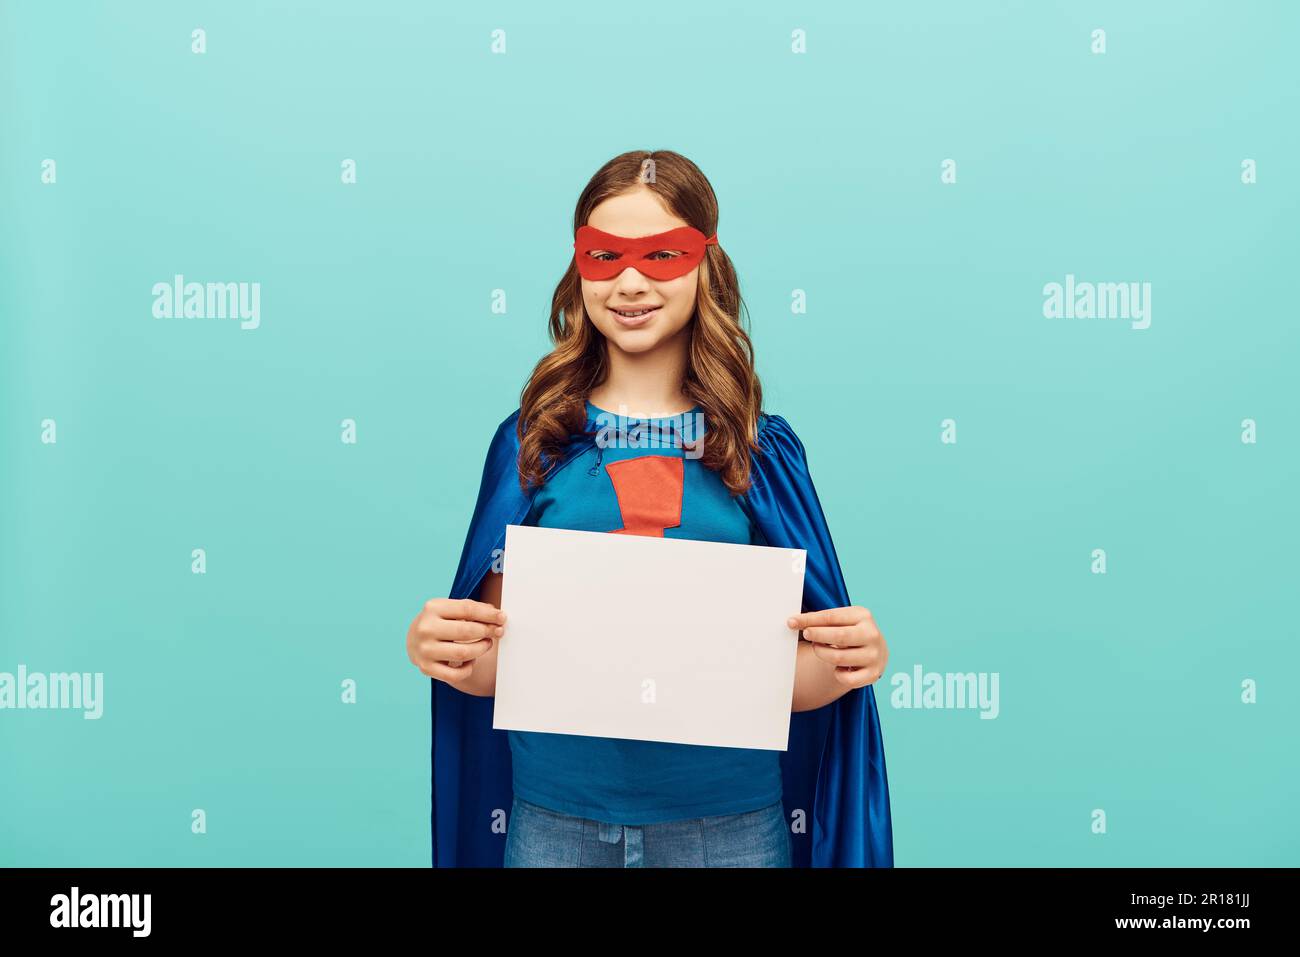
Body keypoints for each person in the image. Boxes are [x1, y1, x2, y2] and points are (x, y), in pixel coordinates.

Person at [406, 150, 893, 867]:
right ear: (579, 270)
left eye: (662, 254)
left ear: (707, 266)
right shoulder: (534, 441)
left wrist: (852, 662)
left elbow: (781, 680)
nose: (631, 282)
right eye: (605, 256)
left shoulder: (759, 451)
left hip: (727, 831)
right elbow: (501, 667)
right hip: (554, 827)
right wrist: (442, 649)